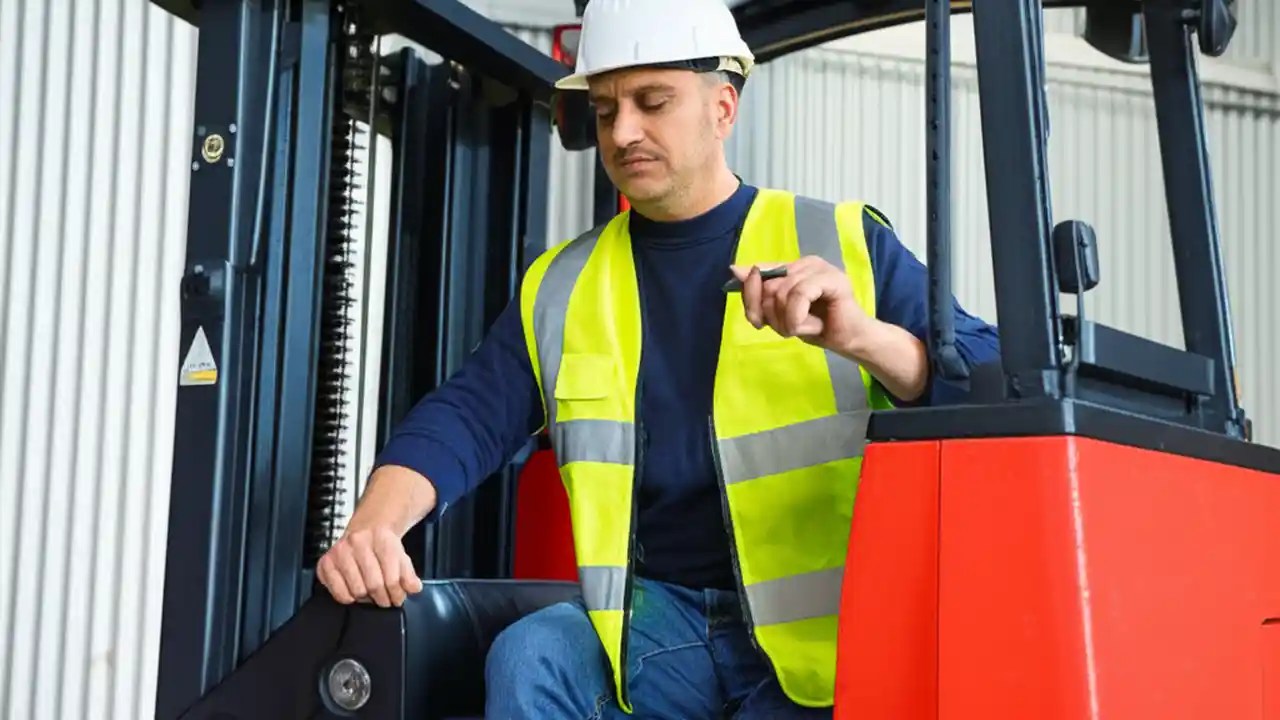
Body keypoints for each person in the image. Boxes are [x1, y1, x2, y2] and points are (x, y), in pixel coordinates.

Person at [316, 0, 1000, 717]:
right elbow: (465, 416)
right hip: (655, 627)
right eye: (607, 109)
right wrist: (376, 524)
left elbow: (986, 381)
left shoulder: (842, 243)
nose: (624, 131)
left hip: (826, 639)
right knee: (532, 655)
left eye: (653, 102)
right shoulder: (563, 285)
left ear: (723, 108)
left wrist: (862, 337)